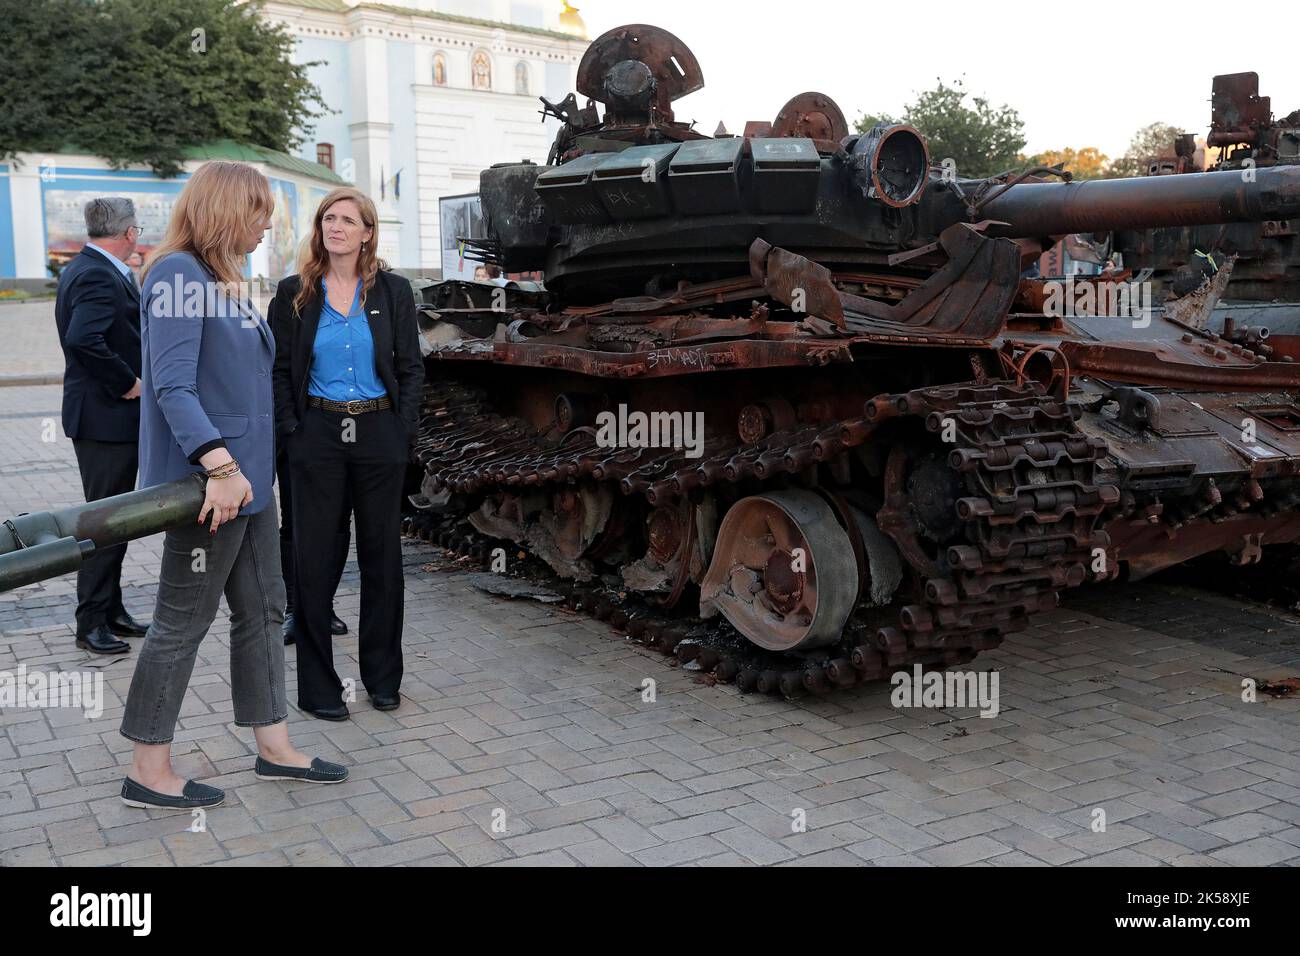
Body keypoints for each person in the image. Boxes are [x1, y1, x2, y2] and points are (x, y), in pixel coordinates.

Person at [121, 161, 347, 811]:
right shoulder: (175, 274)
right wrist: (219, 468)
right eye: (257, 211)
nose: (268, 224)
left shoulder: (218, 279)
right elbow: (173, 387)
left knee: (265, 611)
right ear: (223, 209)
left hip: (251, 487)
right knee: (180, 624)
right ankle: (148, 768)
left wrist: (248, 473)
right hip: (213, 487)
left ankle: (273, 747)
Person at [269, 187, 423, 721]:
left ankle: (382, 680)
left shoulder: (394, 292)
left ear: (367, 232)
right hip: (318, 437)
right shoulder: (294, 293)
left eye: (347, 220)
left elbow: (410, 368)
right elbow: (279, 373)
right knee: (314, 560)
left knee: (382, 559)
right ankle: (319, 688)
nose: (335, 227)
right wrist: (292, 430)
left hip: (379, 432)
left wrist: (402, 431)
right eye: (328, 218)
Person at [53, 197, 148, 655]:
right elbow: (82, 338)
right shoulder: (96, 272)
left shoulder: (89, 265)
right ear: (129, 232)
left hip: (106, 419)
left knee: (117, 520)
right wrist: (128, 382)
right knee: (104, 523)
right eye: (138, 229)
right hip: (105, 419)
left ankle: (111, 610)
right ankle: (91, 621)